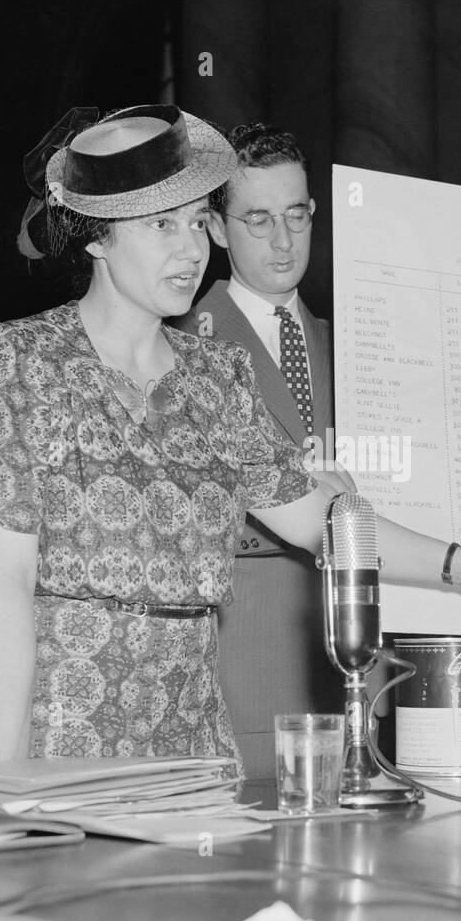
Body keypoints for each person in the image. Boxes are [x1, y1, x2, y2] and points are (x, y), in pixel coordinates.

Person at [0, 104, 461, 771]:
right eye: (162, 224)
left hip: (189, 758)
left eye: (196, 221)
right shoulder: (12, 364)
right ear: (98, 238)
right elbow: (7, 586)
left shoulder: (217, 377)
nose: (191, 249)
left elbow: (323, 524)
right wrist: (6, 771)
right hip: (52, 744)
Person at [170, 124, 348, 777]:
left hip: (350, 676)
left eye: (296, 215)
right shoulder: (181, 346)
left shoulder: (356, 345)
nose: (282, 241)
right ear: (216, 229)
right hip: (236, 669)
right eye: (258, 219)